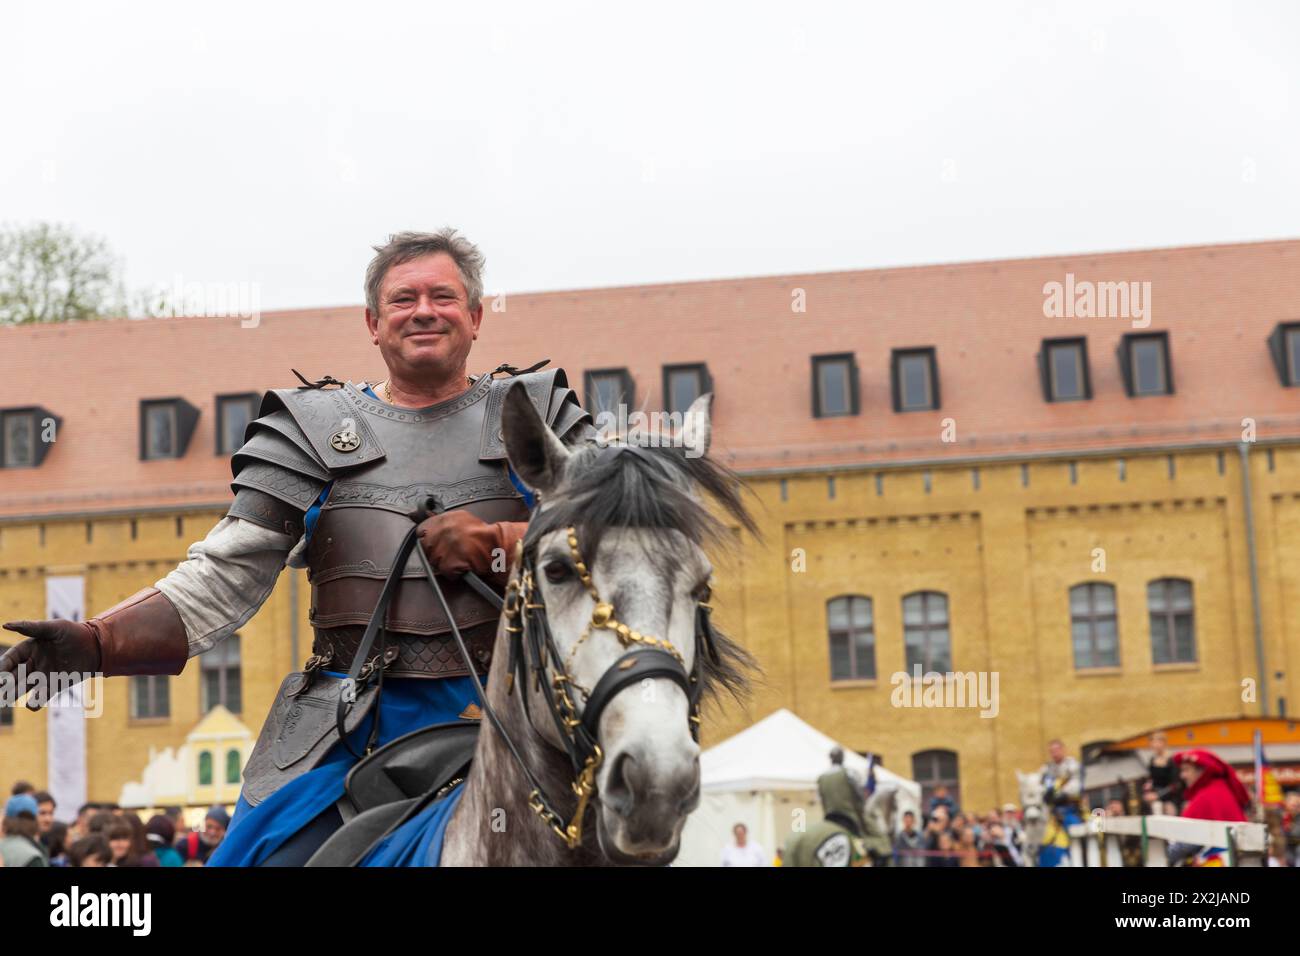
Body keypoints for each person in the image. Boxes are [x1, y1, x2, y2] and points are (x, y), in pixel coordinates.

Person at [1, 229, 595, 867]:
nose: (424, 311)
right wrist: (96, 643)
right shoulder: (312, 431)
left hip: (520, 716)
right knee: (259, 857)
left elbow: (617, 543)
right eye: (403, 299)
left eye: (443, 297)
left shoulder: (539, 417)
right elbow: (221, 579)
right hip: (351, 729)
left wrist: (499, 543)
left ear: (475, 316)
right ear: (373, 324)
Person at [1166, 749, 1250, 867]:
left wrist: (1165, 854)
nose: (1182, 776)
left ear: (1202, 771)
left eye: (1186, 770)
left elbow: (1185, 843)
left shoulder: (1206, 796)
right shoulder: (1219, 788)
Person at [816, 747, 869, 838]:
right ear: (842, 758)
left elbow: (821, 800)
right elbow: (859, 795)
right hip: (849, 820)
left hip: (830, 820)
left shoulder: (822, 778)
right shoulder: (849, 773)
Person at [0, 794, 50, 867]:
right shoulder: (32, 856)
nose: (47, 819)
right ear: (35, 819)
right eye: (42, 813)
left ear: (6, 819)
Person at [1147, 731, 1181, 811]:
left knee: (1168, 809)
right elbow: (1152, 780)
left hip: (1170, 795)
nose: (1154, 745)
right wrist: (1149, 792)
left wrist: (1158, 795)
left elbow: (1175, 785)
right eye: (1153, 742)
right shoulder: (1152, 760)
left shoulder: (1172, 760)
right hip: (1155, 794)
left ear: (1164, 743)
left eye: (1157, 742)